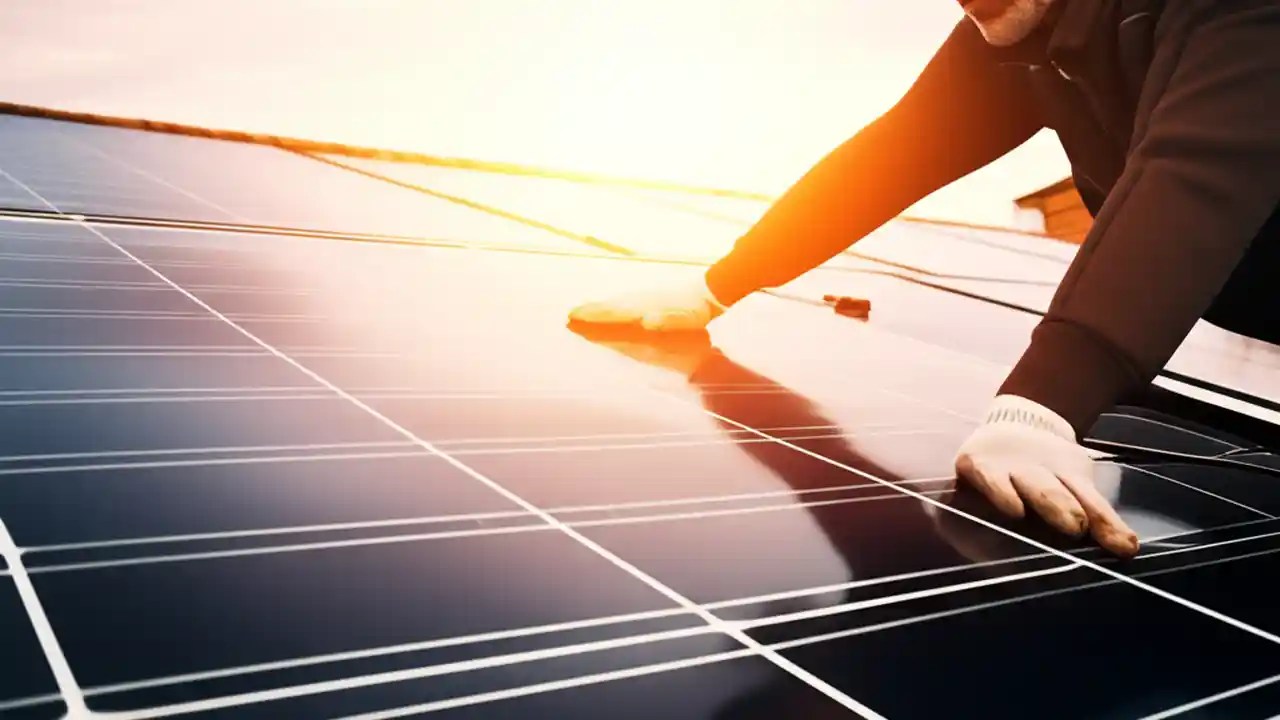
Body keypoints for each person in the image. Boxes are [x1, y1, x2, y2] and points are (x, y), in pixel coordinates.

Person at [568, 0, 1280, 558]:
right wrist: (718, 285)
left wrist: (1042, 405)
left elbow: (1194, 174)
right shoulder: (1028, 35)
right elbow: (894, 155)